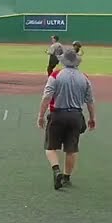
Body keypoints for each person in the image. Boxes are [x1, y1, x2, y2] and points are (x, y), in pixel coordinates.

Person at [37, 48, 96, 190]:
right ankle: (66, 177)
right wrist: (92, 118)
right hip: (76, 115)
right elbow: (90, 101)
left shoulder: (56, 75)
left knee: (50, 147)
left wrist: (40, 115)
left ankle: (56, 170)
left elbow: (47, 97)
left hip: (58, 114)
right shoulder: (84, 78)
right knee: (71, 149)